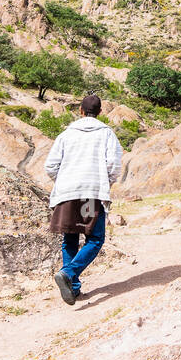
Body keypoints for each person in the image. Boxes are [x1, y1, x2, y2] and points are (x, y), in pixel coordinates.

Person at [44, 94, 123, 305]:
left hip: (67, 194)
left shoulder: (65, 135)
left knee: (70, 238)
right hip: (90, 195)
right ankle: (69, 276)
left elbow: (50, 166)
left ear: (80, 110)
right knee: (95, 238)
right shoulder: (107, 134)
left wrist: (63, 181)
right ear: (100, 113)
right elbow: (114, 166)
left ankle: (73, 288)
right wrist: (103, 183)